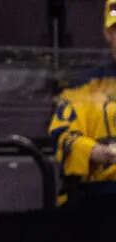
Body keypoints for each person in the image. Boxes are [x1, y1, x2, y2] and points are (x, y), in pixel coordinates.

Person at [49, 2, 116, 207]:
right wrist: (100, 152)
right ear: (108, 34)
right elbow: (63, 136)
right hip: (100, 198)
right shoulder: (84, 85)